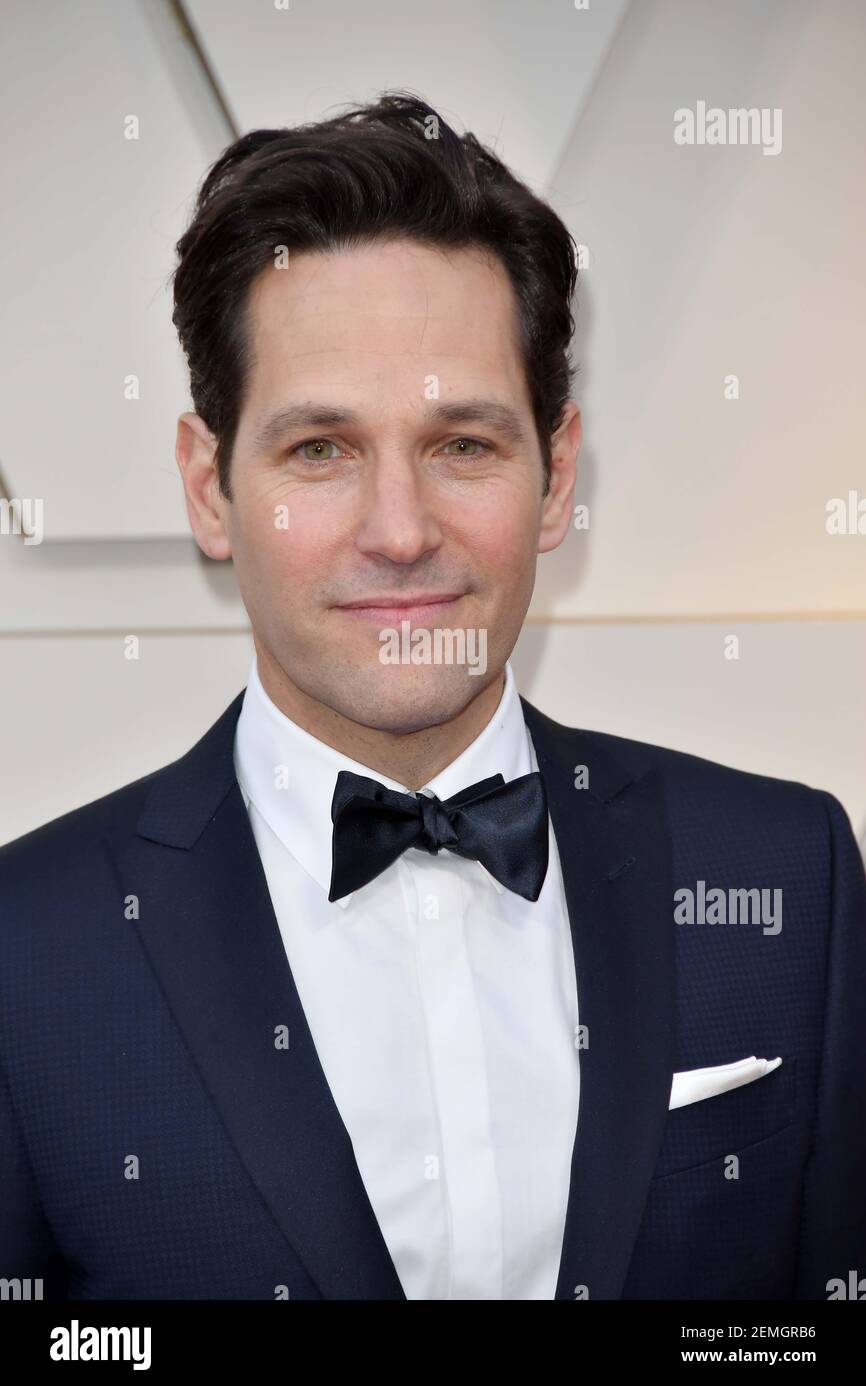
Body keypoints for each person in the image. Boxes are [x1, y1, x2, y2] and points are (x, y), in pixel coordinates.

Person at [1, 92, 864, 1302]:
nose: (399, 533)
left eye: (462, 443)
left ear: (558, 473)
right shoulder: (24, 948)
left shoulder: (789, 874)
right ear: (210, 488)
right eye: (320, 450)